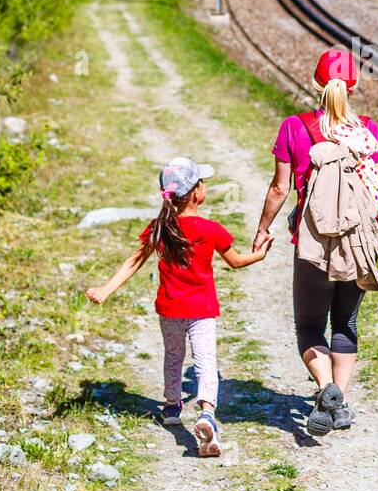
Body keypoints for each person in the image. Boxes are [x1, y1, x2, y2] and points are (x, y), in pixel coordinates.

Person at [253, 49, 378, 437]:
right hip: (359, 243)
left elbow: (279, 188)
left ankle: (327, 390)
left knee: (309, 325)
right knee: (346, 322)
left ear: (315, 84)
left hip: (312, 244)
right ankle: (339, 402)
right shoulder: (368, 132)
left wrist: (263, 228)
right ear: (354, 87)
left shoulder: (294, 127)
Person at [86, 158, 271, 457]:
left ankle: (172, 406)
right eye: (202, 182)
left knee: (173, 357)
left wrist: (106, 289)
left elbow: (134, 261)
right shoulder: (210, 229)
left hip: (170, 310)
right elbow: (236, 261)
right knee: (205, 362)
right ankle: (207, 412)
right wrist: (260, 255)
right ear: (197, 193)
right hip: (202, 312)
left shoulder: (160, 227)